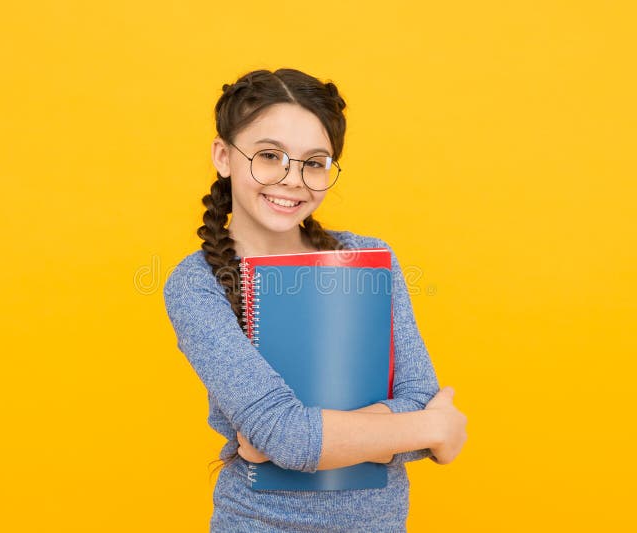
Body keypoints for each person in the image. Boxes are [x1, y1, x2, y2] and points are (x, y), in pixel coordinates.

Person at [163, 68, 468, 532]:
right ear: (224, 156)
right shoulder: (196, 283)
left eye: (314, 162)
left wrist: (293, 440)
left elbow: (419, 394)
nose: (292, 180)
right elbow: (286, 434)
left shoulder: (370, 259)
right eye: (269, 156)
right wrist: (431, 430)